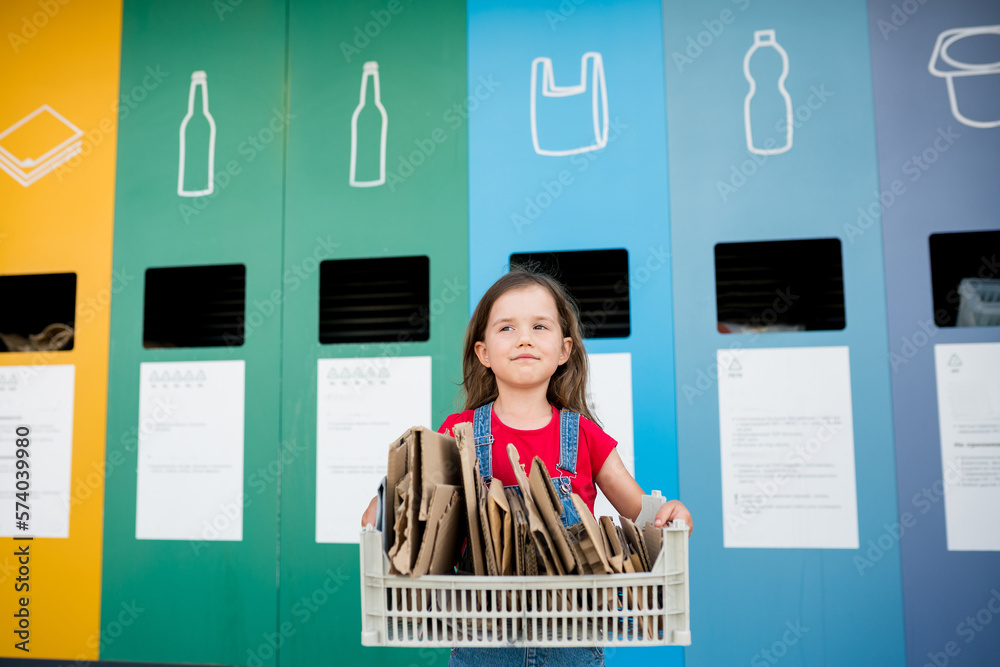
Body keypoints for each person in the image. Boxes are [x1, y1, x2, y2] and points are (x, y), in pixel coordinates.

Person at [362, 267, 692, 666]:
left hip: (572, 634)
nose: (524, 338)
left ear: (564, 350)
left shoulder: (586, 436)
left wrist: (671, 513)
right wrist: (383, 510)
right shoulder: (458, 432)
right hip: (480, 633)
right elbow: (416, 500)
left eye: (540, 326)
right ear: (483, 353)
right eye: (506, 328)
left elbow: (641, 513)